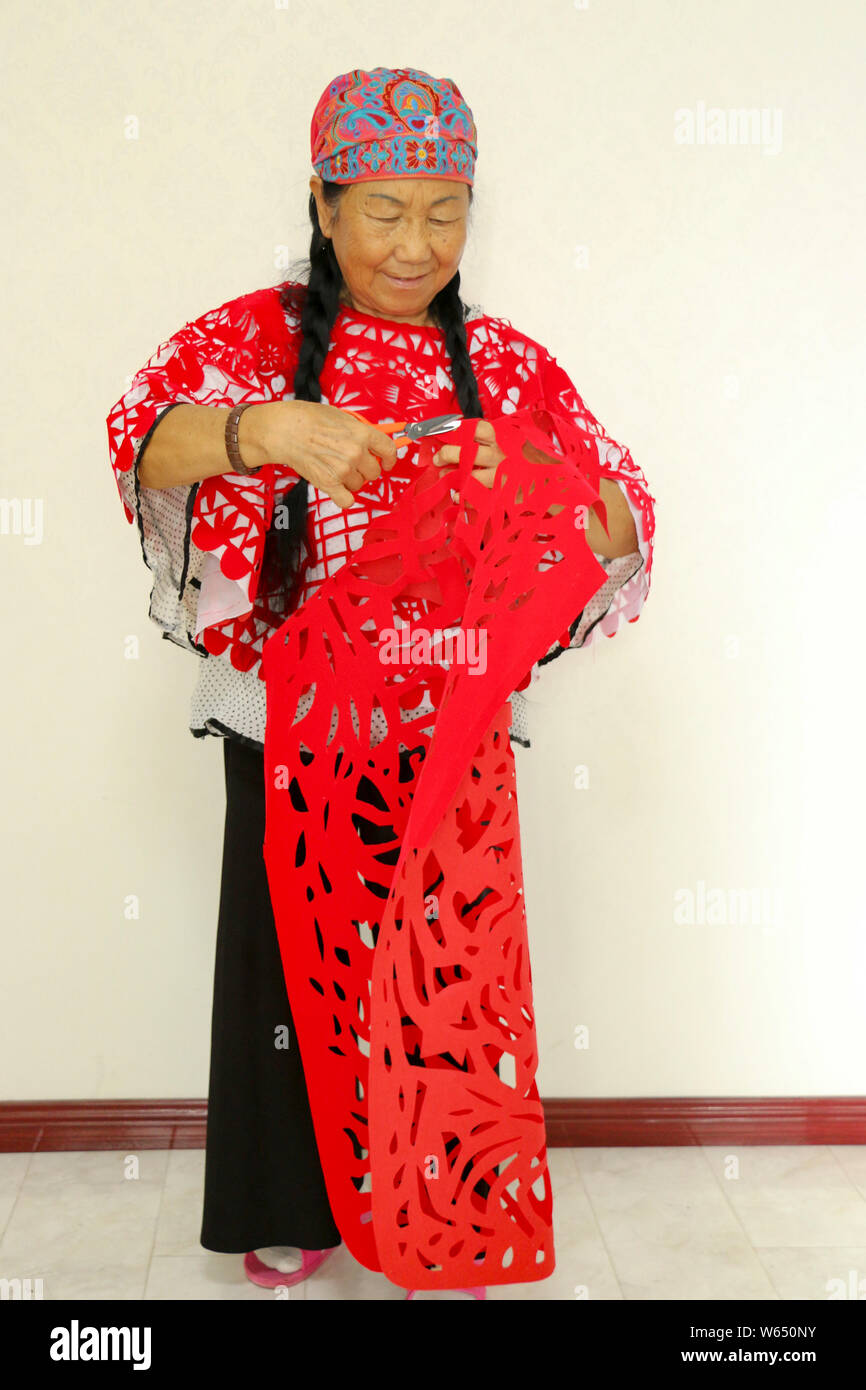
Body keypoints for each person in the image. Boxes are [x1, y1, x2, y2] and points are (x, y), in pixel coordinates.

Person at [106, 66, 655, 1299]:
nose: (415, 245)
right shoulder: (251, 335)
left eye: (443, 212)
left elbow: (621, 515)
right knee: (284, 967)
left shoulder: (504, 363)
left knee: (438, 967)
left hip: (442, 721)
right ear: (323, 201)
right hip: (285, 717)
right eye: (386, 211)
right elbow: (141, 437)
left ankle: (440, 1203)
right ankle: (289, 1202)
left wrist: (549, 488)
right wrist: (264, 429)